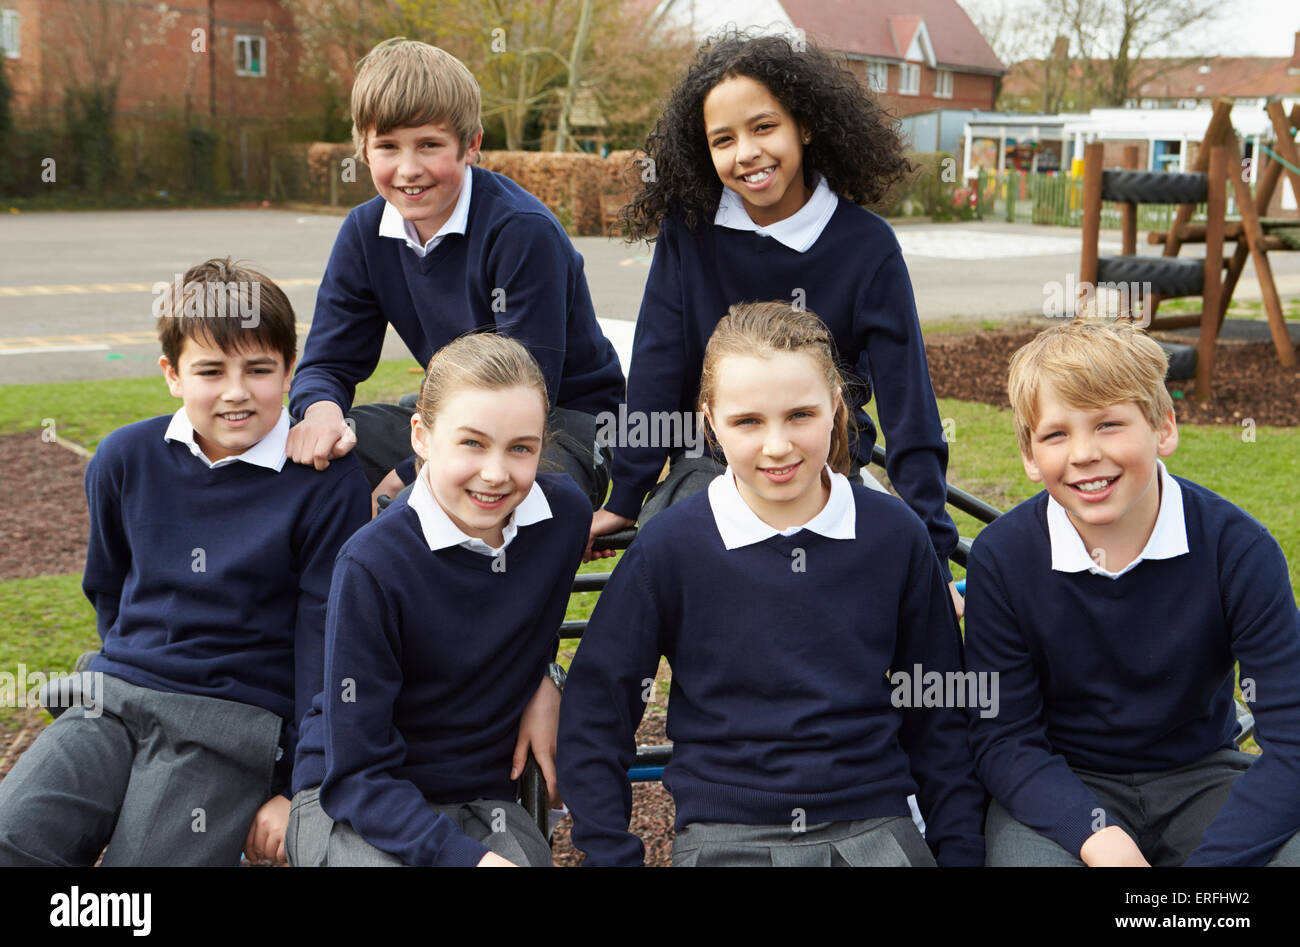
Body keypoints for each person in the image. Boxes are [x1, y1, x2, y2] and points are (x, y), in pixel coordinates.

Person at [558, 303, 986, 867]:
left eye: (800, 415)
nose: (778, 445)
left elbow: (939, 714)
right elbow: (597, 708)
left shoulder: (892, 534)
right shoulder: (672, 545)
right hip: (725, 836)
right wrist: (612, 854)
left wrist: (957, 853)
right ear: (709, 422)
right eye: (748, 422)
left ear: (836, 406)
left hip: (874, 827)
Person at [0, 258, 370, 866]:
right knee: (15, 837)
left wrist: (300, 788)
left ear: (289, 370)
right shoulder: (124, 459)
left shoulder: (324, 483)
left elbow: (328, 646)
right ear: (171, 374)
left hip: (229, 726)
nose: (235, 391)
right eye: (209, 370)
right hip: (113, 698)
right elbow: (110, 588)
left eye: (258, 369)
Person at [588, 31, 961, 613]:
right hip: (714, 456)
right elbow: (661, 362)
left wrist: (932, 550)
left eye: (764, 127)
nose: (746, 153)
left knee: (834, 586)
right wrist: (628, 494)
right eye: (723, 139)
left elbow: (908, 400)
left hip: (825, 453)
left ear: (804, 126)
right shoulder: (690, 234)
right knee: (682, 572)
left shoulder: (866, 245)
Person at [964, 317, 1300, 867]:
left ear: (1163, 428)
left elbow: (1291, 742)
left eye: (1109, 424)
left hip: (1201, 778)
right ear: (1029, 455)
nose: (1084, 453)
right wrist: (1100, 839)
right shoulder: (1003, 560)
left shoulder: (1237, 550)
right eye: (1056, 434)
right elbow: (1005, 739)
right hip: (1064, 783)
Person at [286, 333, 590, 867]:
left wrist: (546, 678)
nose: (496, 474)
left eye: (521, 447)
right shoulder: (373, 562)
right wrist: (467, 861)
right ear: (421, 437)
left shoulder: (562, 516)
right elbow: (356, 770)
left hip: (480, 797)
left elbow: (523, 625)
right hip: (358, 801)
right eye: (471, 443)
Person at [285, 37, 625, 513]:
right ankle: (334, 589)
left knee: (445, 500)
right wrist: (321, 417)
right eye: (387, 146)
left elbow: (522, 391)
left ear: (471, 145)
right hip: (446, 415)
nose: (408, 169)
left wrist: (410, 472)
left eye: (429, 145)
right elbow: (328, 363)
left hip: (560, 422)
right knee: (306, 465)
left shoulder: (521, 231)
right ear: (364, 149)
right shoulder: (364, 232)